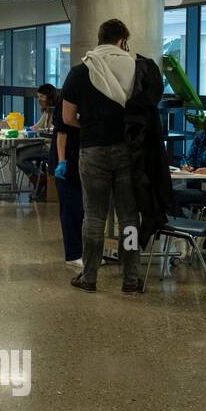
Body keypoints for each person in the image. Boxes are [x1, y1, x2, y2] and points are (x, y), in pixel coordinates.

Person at [59, 18, 142, 294]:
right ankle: (131, 278)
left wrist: (92, 124)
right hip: (128, 151)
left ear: (100, 38)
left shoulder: (81, 71)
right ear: (123, 40)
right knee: (129, 217)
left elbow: (68, 118)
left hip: (93, 150)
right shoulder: (138, 69)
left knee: (94, 216)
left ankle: (90, 276)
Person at [50, 84, 84, 269]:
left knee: (83, 211)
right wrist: (62, 161)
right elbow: (62, 133)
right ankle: (73, 253)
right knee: (71, 209)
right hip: (66, 161)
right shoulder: (67, 100)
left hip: (80, 159)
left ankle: (85, 252)